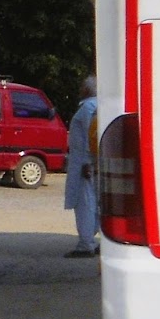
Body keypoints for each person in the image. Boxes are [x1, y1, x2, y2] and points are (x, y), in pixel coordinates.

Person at [64, 76, 99, 257]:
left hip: (85, 163)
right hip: (92, 162)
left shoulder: (88, 108)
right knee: (95, 203)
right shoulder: (97, 106)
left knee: (85, 204)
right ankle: (92, 240)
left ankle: (86, 244)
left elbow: (89, 136)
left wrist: (88, 162)